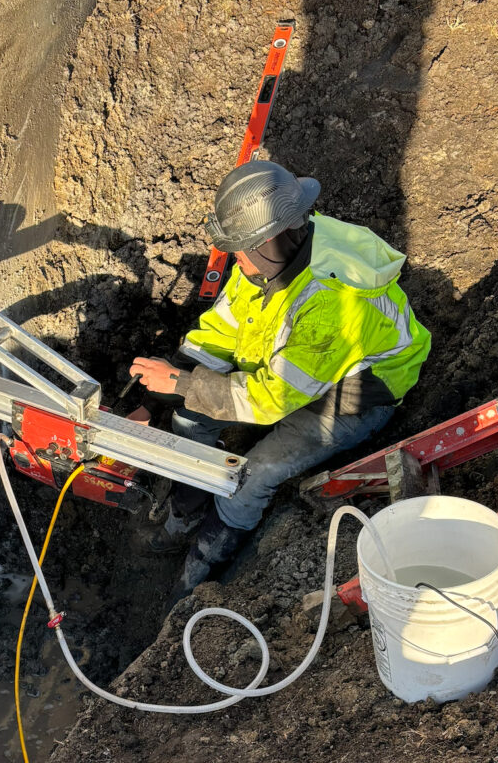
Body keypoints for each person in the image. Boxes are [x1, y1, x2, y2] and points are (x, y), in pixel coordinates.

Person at [129, 160, 431, 595]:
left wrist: (181, 384)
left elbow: (269, 403)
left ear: (266, 239)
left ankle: (198, 572)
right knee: (191, 419)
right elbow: (223, 328)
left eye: (238, 249)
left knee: (255, 474)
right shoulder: (274, 256)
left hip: (354, 395)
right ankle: (183, 519)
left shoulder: (329, 301)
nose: (234, 259)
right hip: (298, 375)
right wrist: (158, 399)